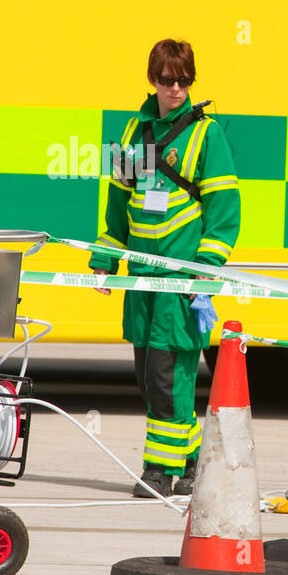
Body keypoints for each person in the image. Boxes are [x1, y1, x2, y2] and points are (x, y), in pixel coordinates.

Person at [90, 39, 240, 498]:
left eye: (184, 79)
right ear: (152, 80)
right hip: (139, 275)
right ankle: (192, 459)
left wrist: (204, 271)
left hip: (179, 279)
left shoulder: (206, 134)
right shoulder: (132, 131)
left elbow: (224, 208)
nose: (176, 88)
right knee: (147, 376)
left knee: (167, 374)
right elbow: (118, 204)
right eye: (167, 79)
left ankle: (159, 470)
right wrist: (104, 261)